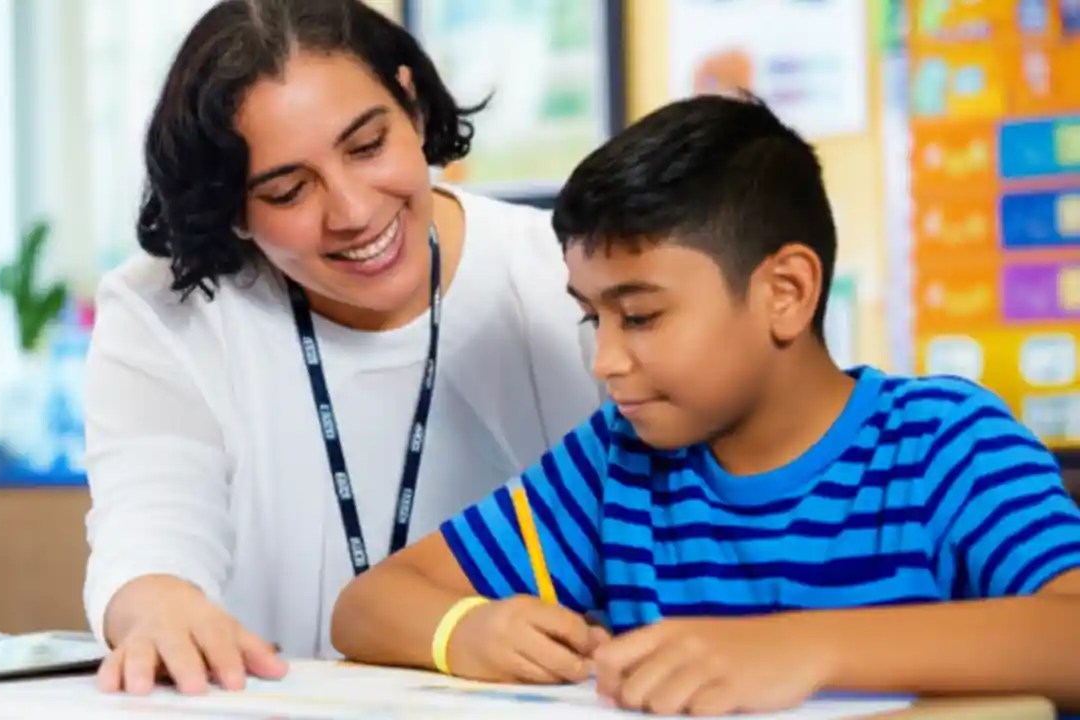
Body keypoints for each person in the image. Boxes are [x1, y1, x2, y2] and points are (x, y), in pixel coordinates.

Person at [330, 94, 1080, 716]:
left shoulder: (947, 444)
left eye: (641, 316)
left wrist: (801, 649)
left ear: (786, 293)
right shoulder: (616, 461)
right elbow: (367, 606)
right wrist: (466, 629)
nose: (605, 360)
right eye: (593, 317)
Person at [82, 0, 600, 696]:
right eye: (289, 191)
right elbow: (148, 532)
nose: (353, 212)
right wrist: (158, 605)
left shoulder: (571, 279)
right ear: (232, 211)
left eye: (367, 146)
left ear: (412, 107)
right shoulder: (166, 315)